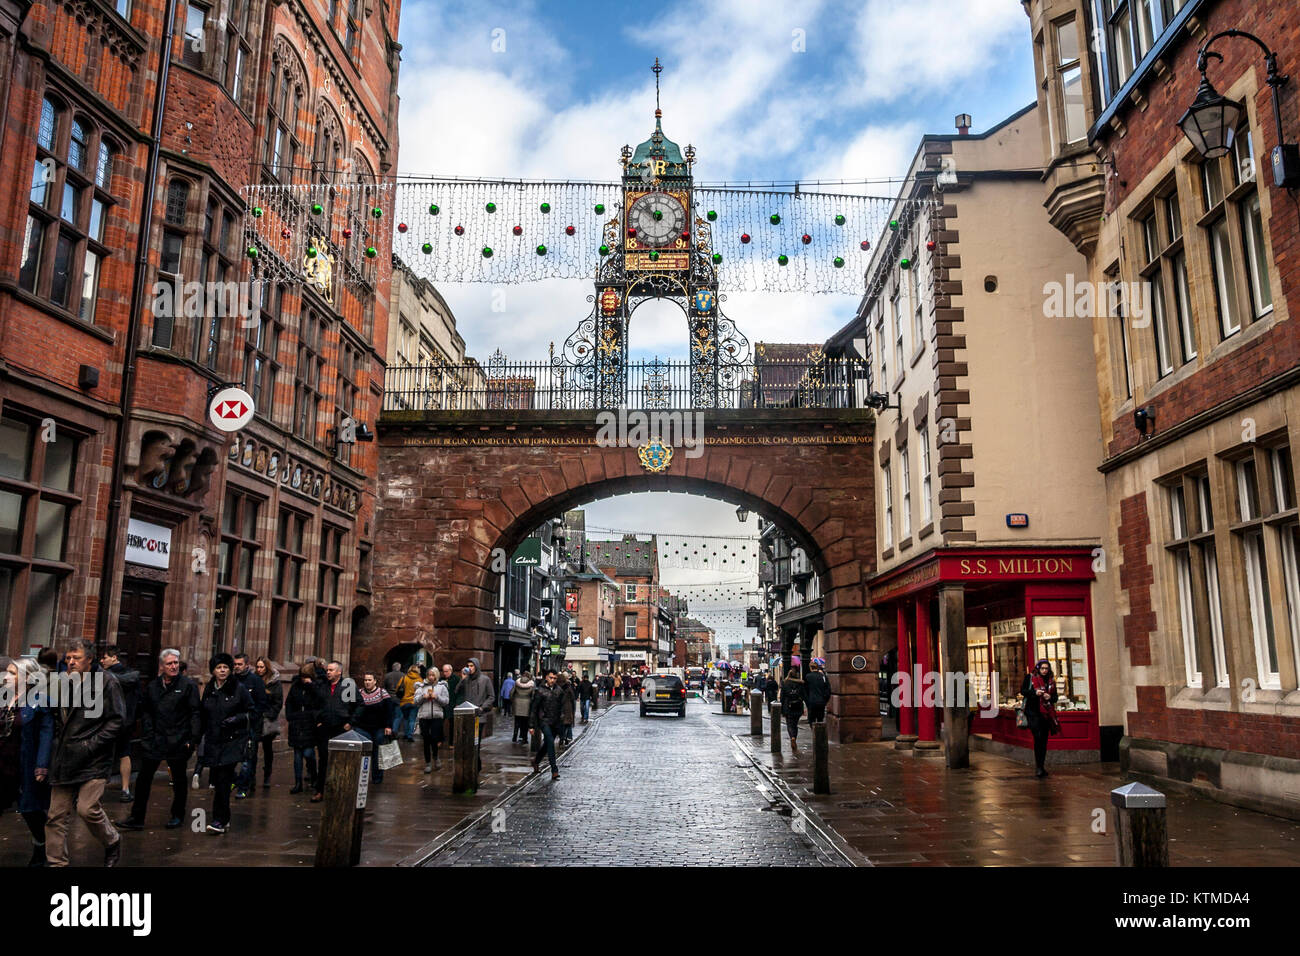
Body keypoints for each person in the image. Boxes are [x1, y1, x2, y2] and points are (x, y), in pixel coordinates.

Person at [46, 640, 125, 866]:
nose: (70, 662)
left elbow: (117, 720)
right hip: (65, 757)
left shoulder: (107, 683)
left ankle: (112, 840)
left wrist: (90, 745)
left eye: (76, 658)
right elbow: (58, 716)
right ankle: (56, 863)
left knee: (87, 809)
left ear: (90, 659)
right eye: (68, 658)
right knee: (55, 816)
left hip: (94, 758)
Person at [117, 648, 200, 832]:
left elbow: (195, 713)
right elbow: (146, 711)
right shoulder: (154, 686)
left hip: (178, 740)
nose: (173, 666)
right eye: (170, 663)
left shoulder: (188, 686)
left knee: (178, 780)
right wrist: (148, 733)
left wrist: (192, 739)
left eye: (176, 663)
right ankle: (137, 817)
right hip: (155, 740)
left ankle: (177, 815)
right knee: (144, 779)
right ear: (162, 666)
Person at [1, 657, 53, 866]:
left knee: (30, 809)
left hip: (24, 763)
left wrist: (41, 765)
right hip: (3, 762)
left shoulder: (39, 701)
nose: (6, 676)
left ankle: (41, 844)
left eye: (12, 673)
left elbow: (46, 735)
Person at [198, 654, 253, 834]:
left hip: (232, 740)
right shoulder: (209, 689)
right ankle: (224, 817)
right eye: (218, 667)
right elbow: (203, 713)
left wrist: (236, 719)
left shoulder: (239, 689)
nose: (222, 671)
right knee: (216, 779)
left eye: (225, 667)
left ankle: (219, 820)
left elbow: (252, 712)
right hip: (214, 740)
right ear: (213, 670)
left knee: (223, 780)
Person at [98, 646, 140, 805]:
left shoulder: (103, 675)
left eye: (105, 657)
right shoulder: (132, 675)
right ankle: (125, 789)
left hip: (107, 720)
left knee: (103, 754)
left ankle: (98, 791)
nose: (102, 660)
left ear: (114, 657)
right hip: (125, 721)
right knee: (124, 753)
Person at [314, 661, 356, 802]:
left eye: (331, 670)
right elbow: (315, 704)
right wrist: (318, 720)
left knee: (340, 759)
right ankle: (320, 790)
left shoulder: (347, 685)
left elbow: (357, 705)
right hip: (325, 727)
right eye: (327, 670)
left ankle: (339, 790)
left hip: (341, 727)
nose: (328, 672)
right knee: (324, 759)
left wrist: (350, 722)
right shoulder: (322, 685)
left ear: (339, 672)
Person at [232, 653, 268, 798]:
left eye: (239, 664)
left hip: (251, 725)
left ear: (247, 665)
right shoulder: (231, 680)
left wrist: (251, 717)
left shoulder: (255, 681)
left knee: (248, 757)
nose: (237, 667)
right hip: (234, 724)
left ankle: (243, 786)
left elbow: (261, 703)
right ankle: (243, 780)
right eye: (235, 664)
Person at [284, 663, 322, 794]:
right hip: (296, 723)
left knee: (308, 753)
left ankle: (313, 775)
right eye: (303, 676)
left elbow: (320, 700)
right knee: (297, 755)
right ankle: (298, 782)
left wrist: (311, 686)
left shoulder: (316, 686)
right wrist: (290, 717)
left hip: (309, 724)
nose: (304, 679)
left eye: (307, 677)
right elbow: (289, 702)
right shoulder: (296, 686)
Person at [1020, 659, 1061, 778]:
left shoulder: (1051, 681)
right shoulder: (1030, 677)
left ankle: (1041, 766)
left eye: (1046, 668)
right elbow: (1023, 691)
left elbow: (1055, 698)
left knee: (1043, 740)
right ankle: (1039, 767)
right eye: (1042, 668)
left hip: (1046, 714)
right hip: (1033, 712)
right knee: (1038, 738)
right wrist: (1034, 693)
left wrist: (1050, 697)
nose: (1044, 671)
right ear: (1038, 668)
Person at [354, 672, 396, 783]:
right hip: (363, 727)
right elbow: (354, 709)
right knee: (364, 751)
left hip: (379, 728)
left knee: (377, 752)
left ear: (375, 681)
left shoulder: (383, 693)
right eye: (365, 680)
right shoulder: (359, 693)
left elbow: (389, 711)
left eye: (369, 680)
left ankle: (377, 777)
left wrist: (388, 726)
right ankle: (362, 776)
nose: (367, 682)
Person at [529, 670, 568, 780]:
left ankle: (536, 761)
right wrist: (531, 725)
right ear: (546, 677)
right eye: (551, 678)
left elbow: (562, 707)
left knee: (547, 745)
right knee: (550, 741)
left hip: (555, 722)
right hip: (544, 721)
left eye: (555, 678)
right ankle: (554, 770)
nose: (552, 680)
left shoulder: (559, 691)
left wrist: (562, 720)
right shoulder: (540, 691)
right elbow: (534, 709)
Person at [254, 656, 283, 789]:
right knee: (252, 749)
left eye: (262, 667)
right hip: (254, 718)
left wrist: (268, 715)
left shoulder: (274, 682)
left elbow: (277, 702)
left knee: (267, 748)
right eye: (258, 667)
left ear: (267, 668)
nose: (259, 670)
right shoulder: (253, 680)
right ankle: (251, 775)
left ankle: (267, 774)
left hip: (267, 720)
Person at [414, 668, 449, 772]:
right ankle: (428, 763)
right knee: (426, 739)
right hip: (424, 717)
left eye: (433, 675)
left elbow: (446, 701)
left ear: (437, 676)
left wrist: (436, 697)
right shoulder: (421, 686)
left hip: (437, 717)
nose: (430, 677)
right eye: (429, 675)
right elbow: (415, 701)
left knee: (434, 738)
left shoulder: (442, 687)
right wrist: (423, 697)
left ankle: (435, 756)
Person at [781, 666, 806, 752]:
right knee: (795, 724)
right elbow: (803, 695)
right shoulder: (800, 683)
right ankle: (794, 737)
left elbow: (782, 697)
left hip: (788, 706)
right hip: (798, 706)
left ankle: (792, 737)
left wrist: (781, 708)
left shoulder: (784, 683)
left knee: (789, 724)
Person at [396, 664, 420, 742]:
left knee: (406, 719)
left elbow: (397, 688)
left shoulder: (404, 678)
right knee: (412, 719)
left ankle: (406, 734)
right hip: (414, 702)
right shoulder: (419, 679)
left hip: (404, 702)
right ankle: (410, 735)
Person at [805, 658, 831, 726]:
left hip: (812, 702)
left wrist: (807, 700)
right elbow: (828, 689)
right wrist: (825, 700)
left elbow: (805, 690)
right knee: (820, 720)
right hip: (821, 702)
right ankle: (819, 734)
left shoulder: (808, 677)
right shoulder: (823, 676)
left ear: (810, 668)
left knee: (812, 720)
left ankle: (814, 733)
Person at [510, 671, 535, 744]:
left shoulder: (517, 683)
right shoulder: (531, 684)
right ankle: (524, 738)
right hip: (527, 705)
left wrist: (513, 701)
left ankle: (514, 737)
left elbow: (511, 693)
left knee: (517, 722)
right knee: (525, 723)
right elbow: (533, 695)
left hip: (517, 704)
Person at [440, 663, 460, 744]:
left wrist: (457, 703)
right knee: (440, 723)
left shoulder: (457, 679)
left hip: (452, 704)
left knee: (452, 724)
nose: (445, 673)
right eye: (443, 671)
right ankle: (440, 739)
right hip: (443, 704)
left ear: (451, 670)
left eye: (446, 671)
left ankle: (451, 742)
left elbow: (459, 692)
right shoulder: (441, 680)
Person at [557, 672, 576, 744]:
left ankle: (562, 738)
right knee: (567, 724)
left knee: (561, 724)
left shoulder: (556, 687)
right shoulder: (568, 687)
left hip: (559, 708)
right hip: (568, 708)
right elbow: (572, 698)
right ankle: (566, 737)